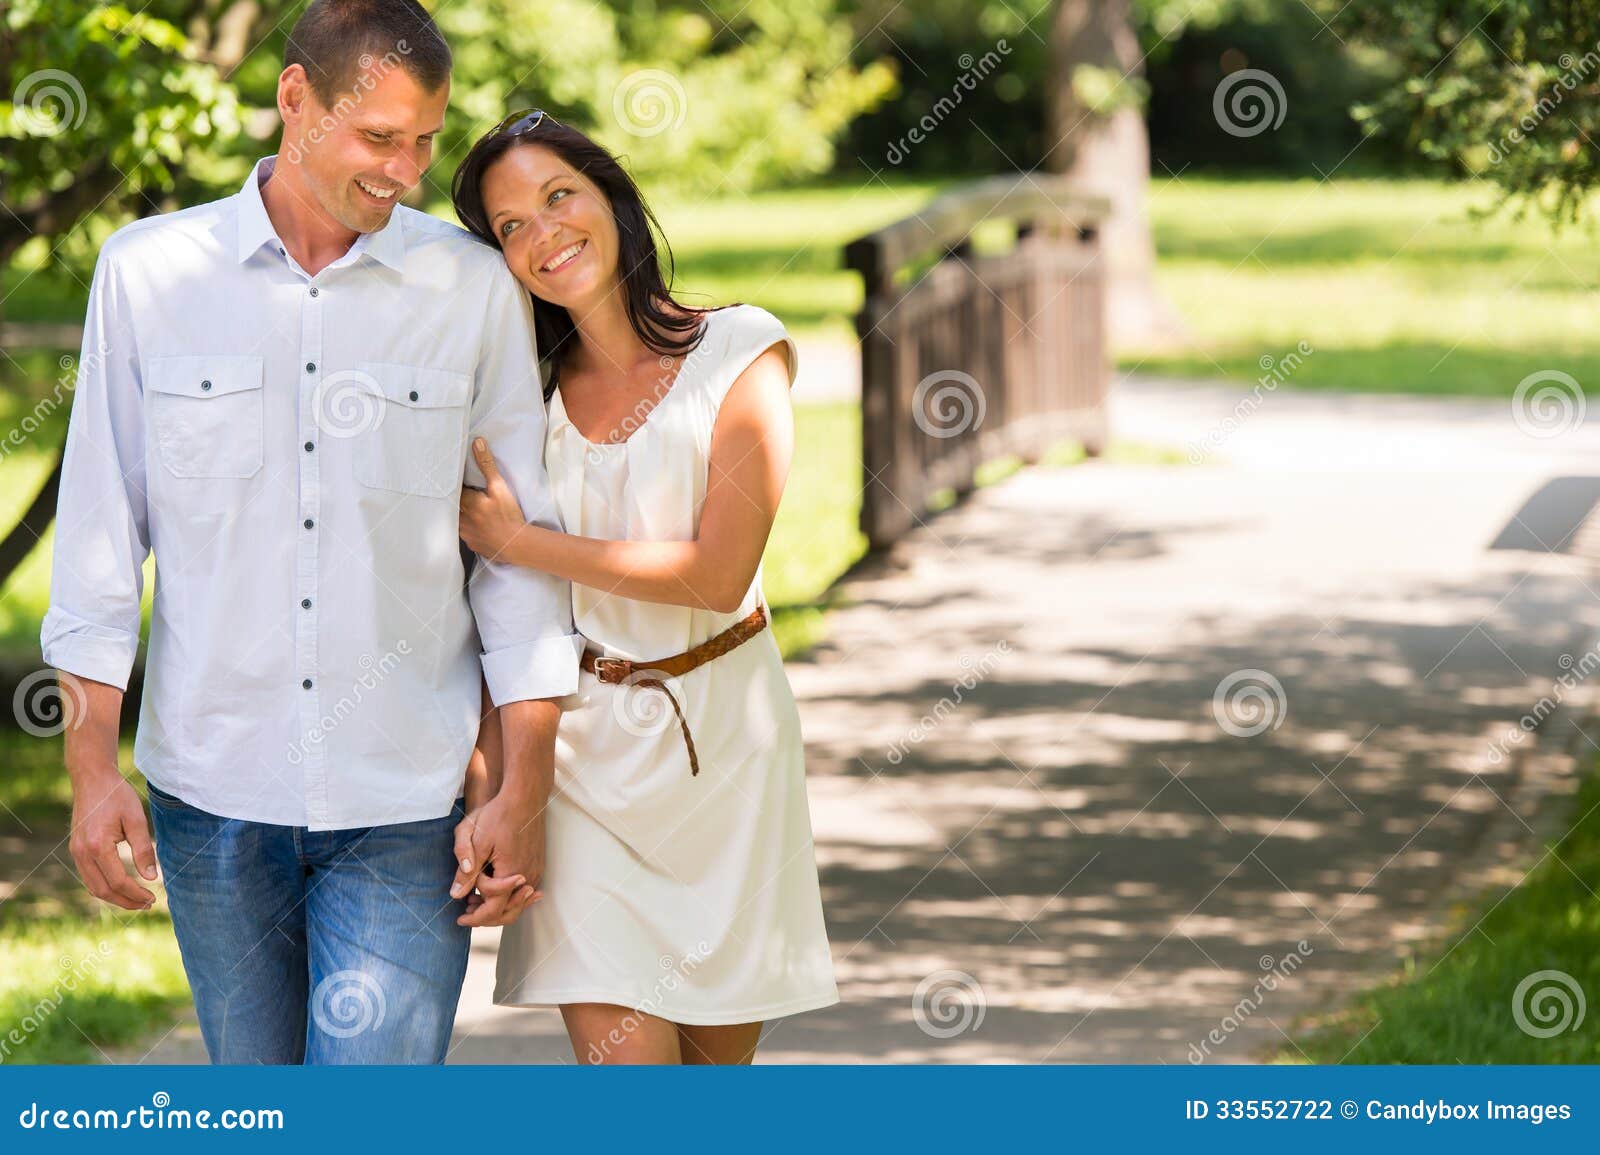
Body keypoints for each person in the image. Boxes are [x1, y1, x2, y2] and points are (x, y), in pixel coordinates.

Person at [42, 0, 579, 1064]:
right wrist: (92, 770)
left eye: (425, 141)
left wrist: (524, 787)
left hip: (403, 799)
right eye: (380, 138)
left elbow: (517, 562)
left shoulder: (469, 287)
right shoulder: (148, 273)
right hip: (211, 794)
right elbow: (100, 540)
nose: (408, 171)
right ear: (295, 100)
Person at [450, 111, 840, 1065]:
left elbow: (717, 575)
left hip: (726, 751)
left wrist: (528, 541)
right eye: (509, 227)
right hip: (580, 762)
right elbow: (492, 607)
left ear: (609, 196)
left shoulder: (740, 353)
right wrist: (493, 792)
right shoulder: (516, 401)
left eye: (557, 198)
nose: (542, 236)